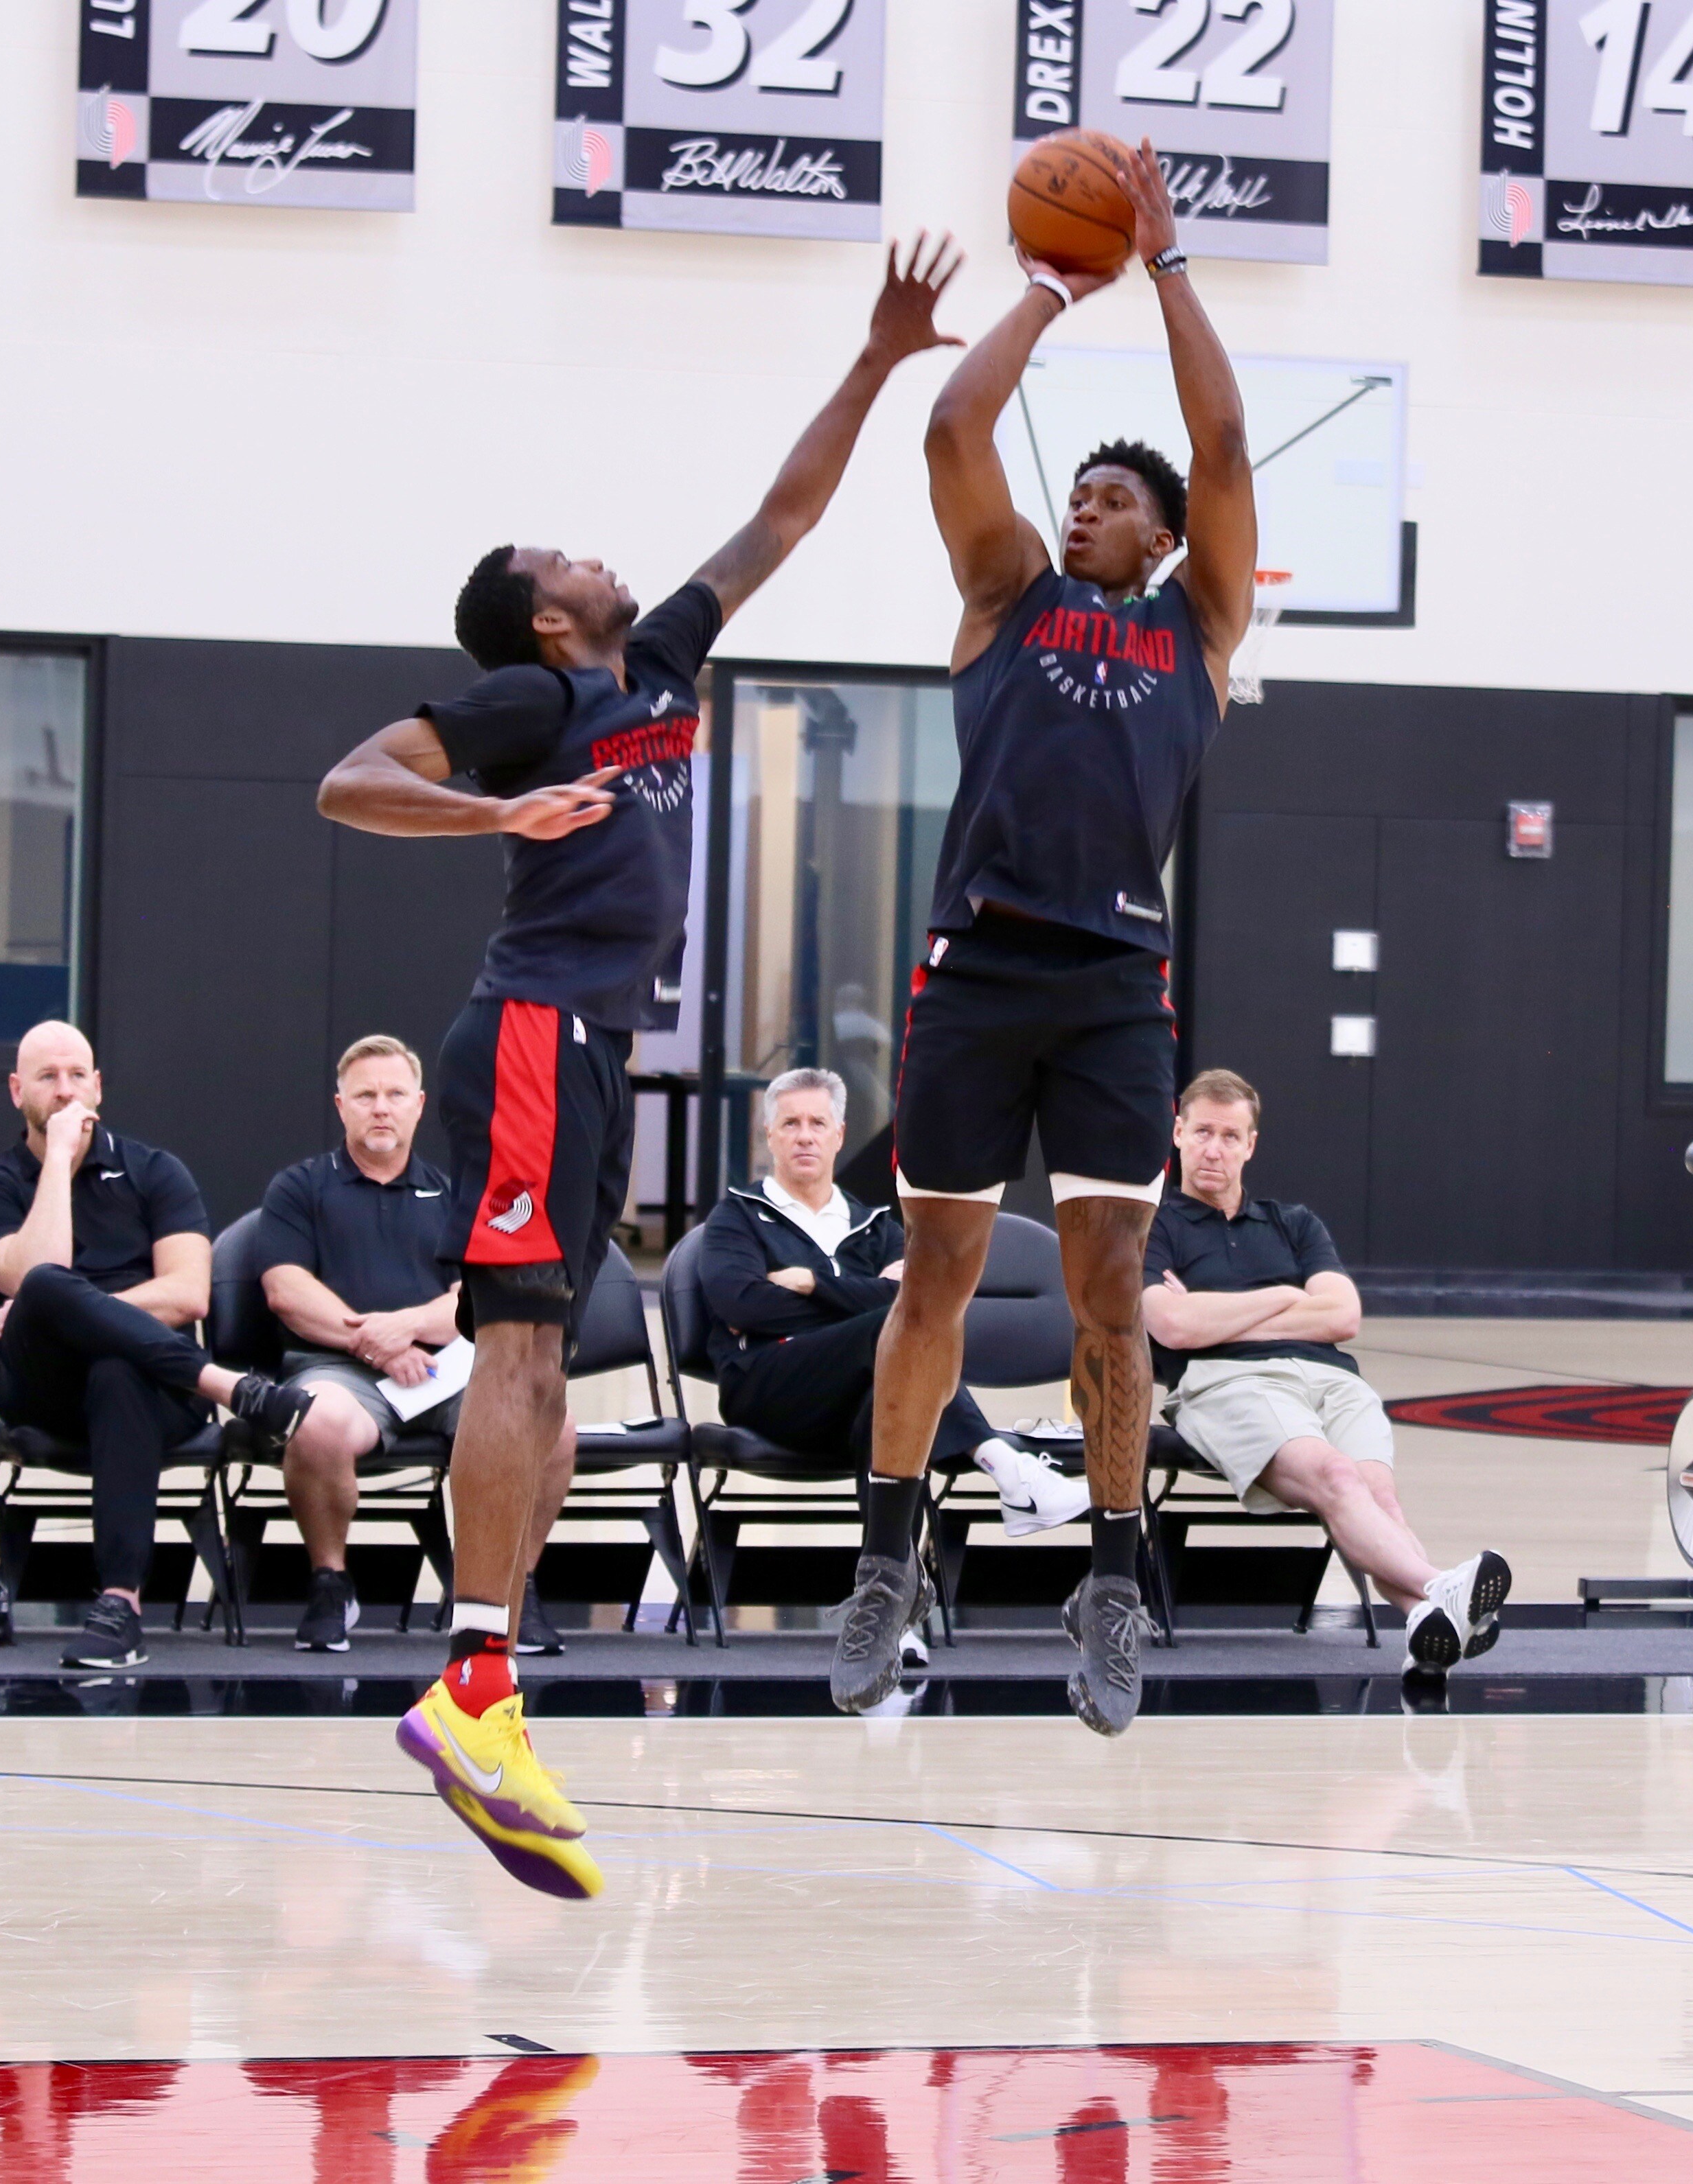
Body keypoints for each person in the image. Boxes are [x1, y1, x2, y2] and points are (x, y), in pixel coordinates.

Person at [316, 237, 966, 1899]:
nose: (603, 556)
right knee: (524, 1351)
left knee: (547, 1369)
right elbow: (346, 780)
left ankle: (491, 1685)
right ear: (546, 612)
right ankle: (471, 1682)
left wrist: (884, 356)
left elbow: (781, 518)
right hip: (529, 1030)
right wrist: (490, 809)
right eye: (569, 551)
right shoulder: (532, 698)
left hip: (592, 1043)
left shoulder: (660, 662)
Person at [833, 143, 1258, 1737]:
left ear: (1156, 539)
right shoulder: (1006, 594)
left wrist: (1161, 265)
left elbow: (1217, 440)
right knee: (931, 1274)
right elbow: (951, 424)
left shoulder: (1189, 625)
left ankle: (1108, 1576)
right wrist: (1042, 287)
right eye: (1075, 489)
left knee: (1107, 1290)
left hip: (1105, 988)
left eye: (1111, 499)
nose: (1083, 505)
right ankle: (887, 1561)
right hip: (975, 965)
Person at [0, 1019, 315, 1671]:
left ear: (98, 1085)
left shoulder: (156, 1172)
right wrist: (59, 1164)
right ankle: (231, 1388)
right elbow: (42, 1267)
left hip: (152, 1387)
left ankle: (120, 1606)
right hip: (42, 1388)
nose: (65, 1093)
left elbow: (190, 1295)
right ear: (16, 1091)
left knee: (112, 1361)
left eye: (76, 1076)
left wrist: (71, 1312)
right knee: (44, 1284)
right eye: (47, 1078)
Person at [1143, 1071, 1510, 1671]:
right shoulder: (1155, 1225)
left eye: (1230, 1136)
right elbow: (1175, 1329)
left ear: (1251, 1145)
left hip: (1331, 1379)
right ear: (1178, 1132)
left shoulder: (1293, 1222)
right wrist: (1286, 1297)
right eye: (1203, 1132)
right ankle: (1439, 1585)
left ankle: (1426, 1622)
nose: (1215, 1149)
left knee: (1377, 1495)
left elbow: (1343, 1315)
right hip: (1227, 1382)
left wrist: (1217, 1309)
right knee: (1337, 1478)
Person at [699, 1068, 1083, 1537]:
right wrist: (868, 1298)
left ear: (839, 1135)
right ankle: (1011, 1471)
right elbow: (743, 1306)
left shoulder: (878, 1225)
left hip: (855, 1396)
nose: (804, 1137)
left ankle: (890, 1576)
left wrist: (810, 1284)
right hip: (767, 1387)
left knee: (894, 1387)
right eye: (790, 1124)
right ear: (770, 1136)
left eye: (817, 1124)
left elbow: (922, 1302)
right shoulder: (737, 1217)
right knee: (897, 1331)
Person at [250, 1034, 464, 1653]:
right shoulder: (299, 1188)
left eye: (395, 1094)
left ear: (419, 1105)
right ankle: (329, 1582)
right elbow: (288, 1291)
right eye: (365, 1095)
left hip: (441, 1373)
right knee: (314, 1423)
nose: (381, 1107)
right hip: (336, 1372)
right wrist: (376, 1344)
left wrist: (410, 1327)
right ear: (340, 1105)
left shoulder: (452, 1196)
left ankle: (506, 1592)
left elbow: (471, 1301)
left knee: (541, 1422)